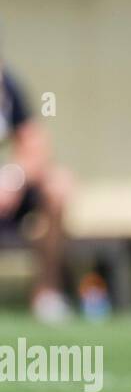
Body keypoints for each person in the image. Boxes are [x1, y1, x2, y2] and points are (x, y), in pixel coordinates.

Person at [0, 58, 74, 322]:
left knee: (59, 185)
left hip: (7, 198)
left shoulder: (8, 86)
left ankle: (47, 295)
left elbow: (36, 144)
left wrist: (12, 177)